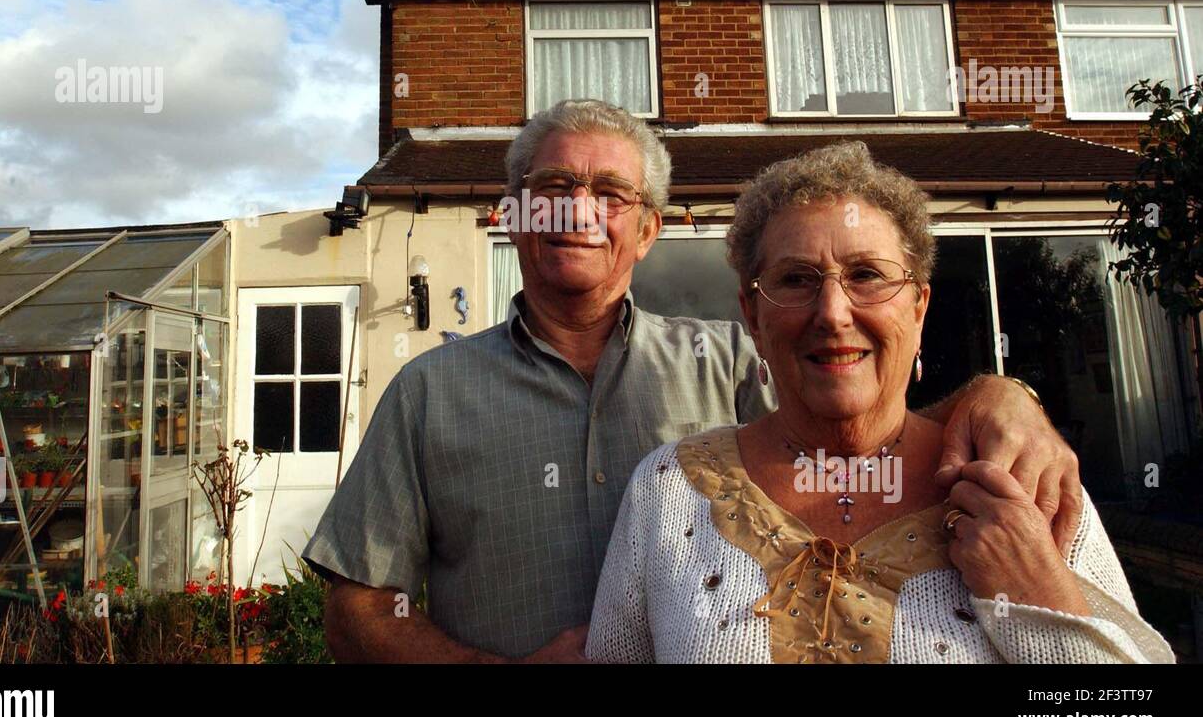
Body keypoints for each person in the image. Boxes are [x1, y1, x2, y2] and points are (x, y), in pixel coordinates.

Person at [305, 100, 1082, 663]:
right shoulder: (427, 393)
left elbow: (863, 430)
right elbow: (357, 612)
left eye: (611, 194)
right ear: (512, 217)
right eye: (553, 187)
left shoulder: (735, 362)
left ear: (648, 230)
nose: (581, 210)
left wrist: (997, 396)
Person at [586, 141, 1173, 663]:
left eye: (867, 274)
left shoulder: (1022, 482)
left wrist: (1038, 601)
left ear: (918, 307)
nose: (834, 313)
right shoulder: (669, 490)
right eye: (796, 279)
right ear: (752, 315)